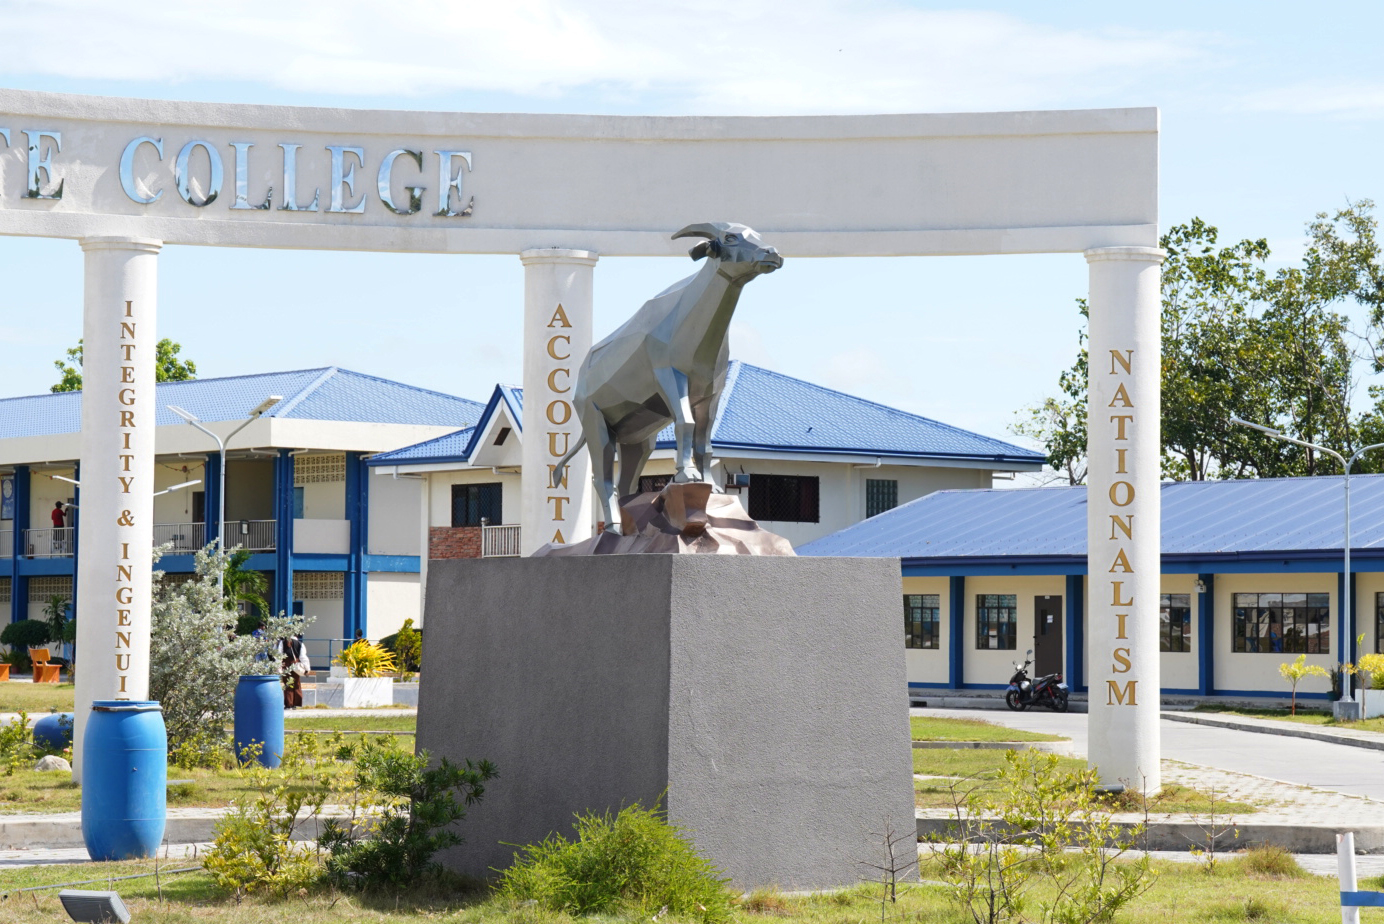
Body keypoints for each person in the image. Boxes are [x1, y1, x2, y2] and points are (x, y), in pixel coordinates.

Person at [280, 635, 305, 709]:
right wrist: (306, 667)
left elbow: (279, 654)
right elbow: (303, 656)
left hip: (286, 664)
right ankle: (296, 703)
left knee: (288, 683)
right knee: (296, 683)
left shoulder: (283, 643)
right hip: (296, 664)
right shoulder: (300, 643)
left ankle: (289, 703)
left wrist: (279, 667)